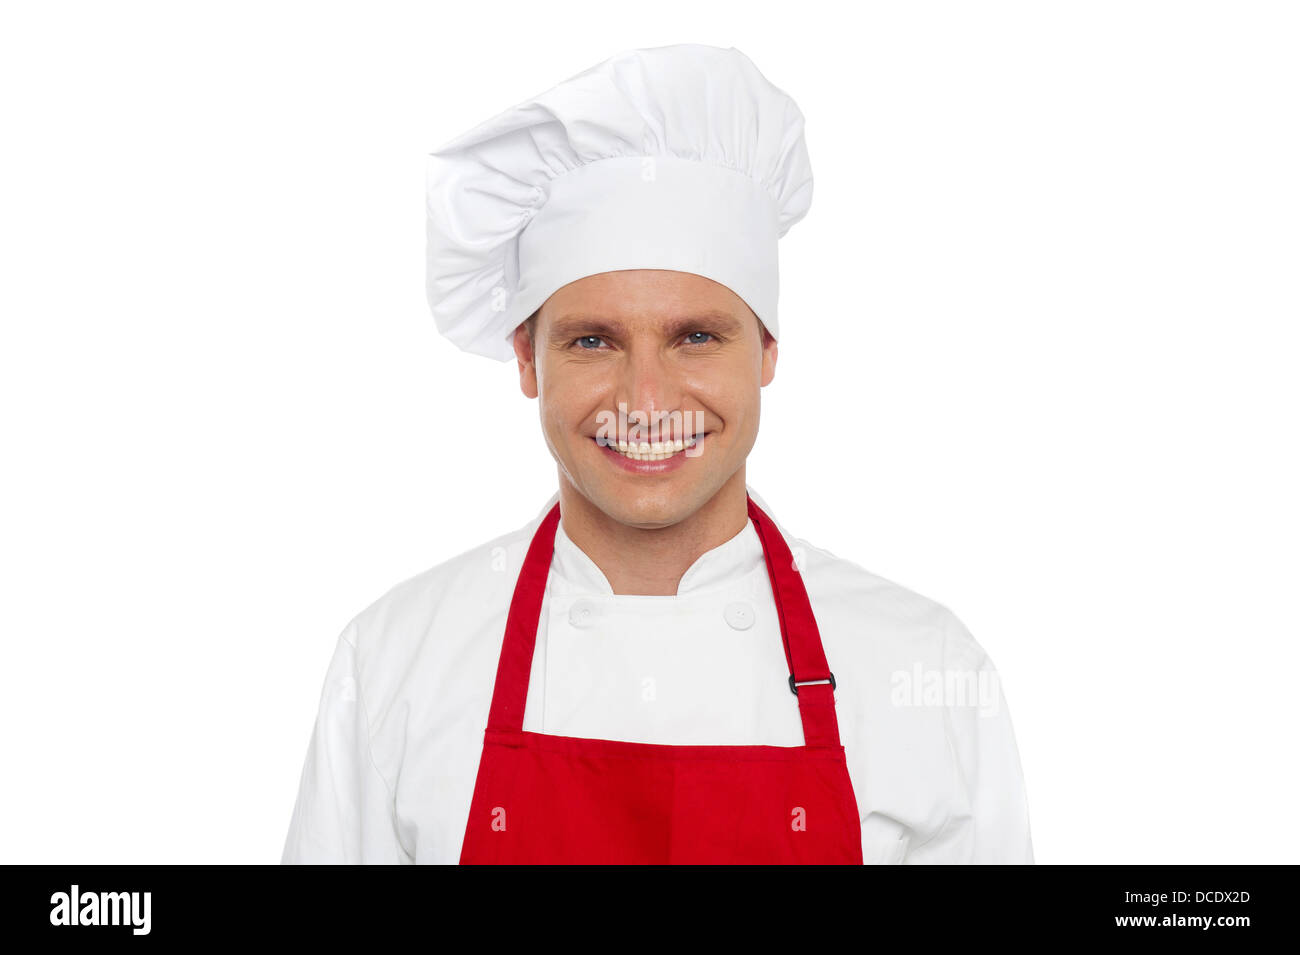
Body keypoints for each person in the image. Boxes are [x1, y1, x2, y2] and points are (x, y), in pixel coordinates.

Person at [280, 43, 1034, 864]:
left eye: (696, 336)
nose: (644, 400)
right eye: (593, 340)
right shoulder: (393, 667)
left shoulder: (924, 669)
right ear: (527, 359)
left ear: (767, 351)